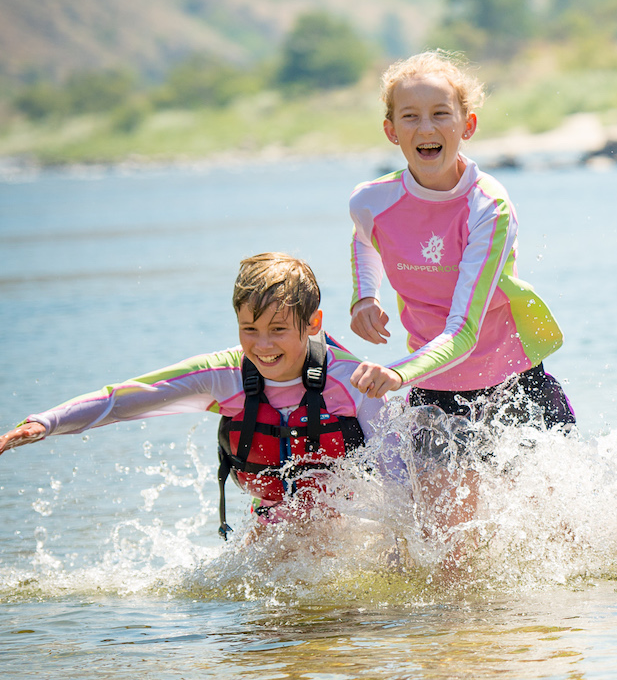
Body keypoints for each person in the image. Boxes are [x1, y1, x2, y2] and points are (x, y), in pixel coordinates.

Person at [0, 253, 383, 539]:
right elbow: (123, 399)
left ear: (313, 322)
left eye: (278, 329)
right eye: (249, 328)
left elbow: (399, 475)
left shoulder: (352, 380)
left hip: (351, 531)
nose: (262, 345)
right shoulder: (224, 377)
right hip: (271, 531)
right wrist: (45, 422)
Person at [346, 51, 571, 533]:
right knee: (444, 550)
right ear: (391, 131)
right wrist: (366, 295)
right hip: (434, 390)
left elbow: (463, 332)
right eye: (410, 117)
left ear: (466, 125)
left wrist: (395, 373)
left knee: (547, 540)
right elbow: (364, 238)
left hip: (510, 381)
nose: (426, 127)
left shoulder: (489, 207)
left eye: (440, 114)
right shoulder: (371, 201)